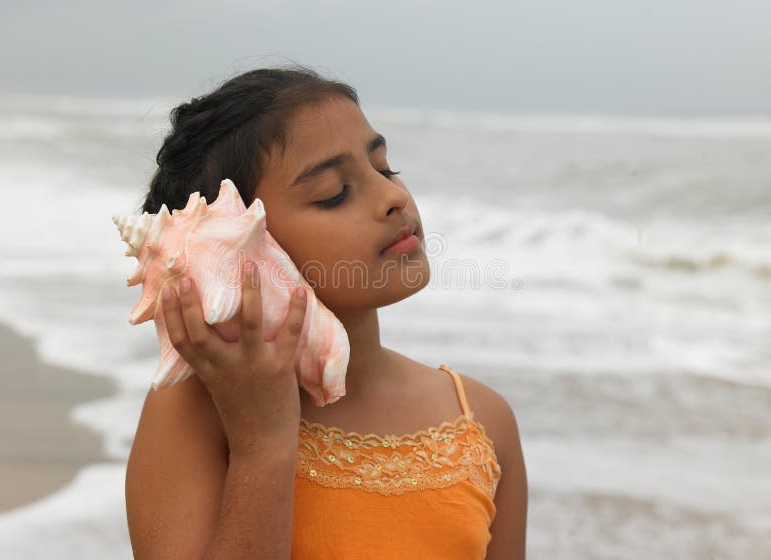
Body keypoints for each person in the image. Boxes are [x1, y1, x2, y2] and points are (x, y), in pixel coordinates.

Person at [124, 65, 528, 559]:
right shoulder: (195, 414)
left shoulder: (481, 420)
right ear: (243, 249)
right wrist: (263, 443)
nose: (393, 197)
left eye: (384, 168)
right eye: (333, 194)